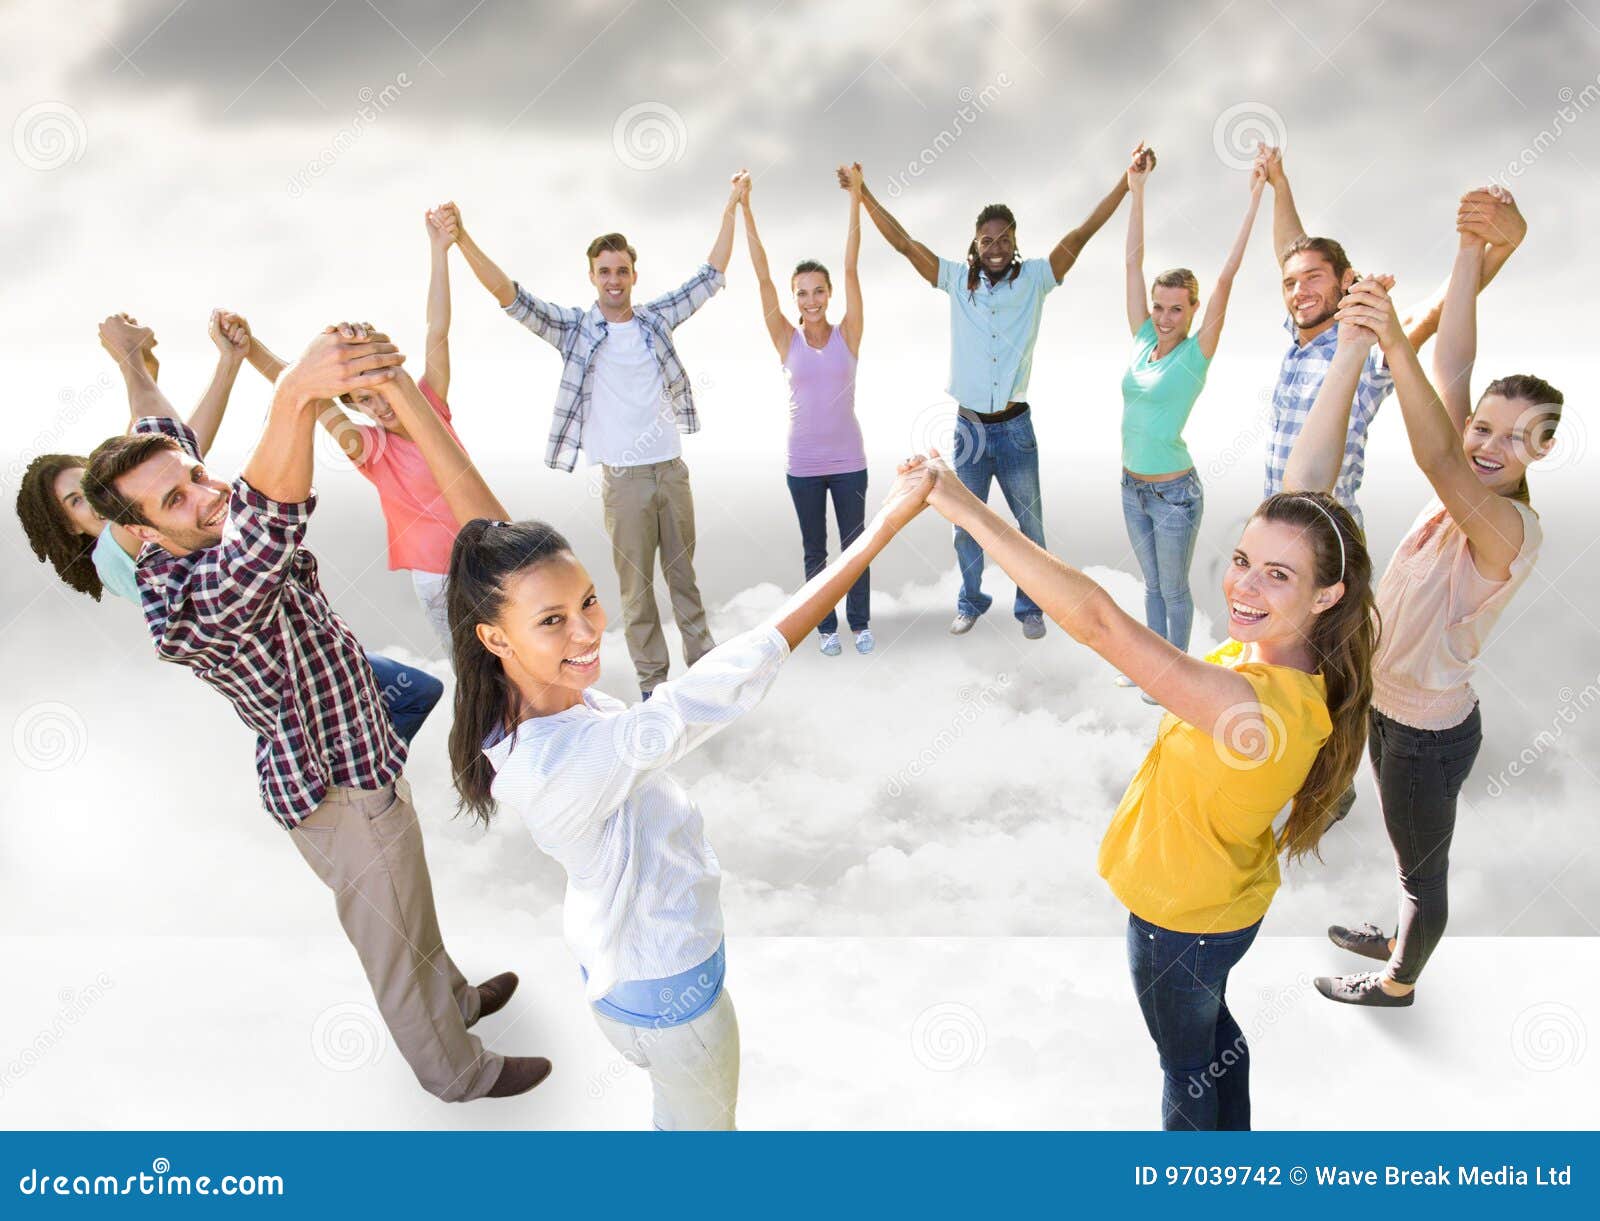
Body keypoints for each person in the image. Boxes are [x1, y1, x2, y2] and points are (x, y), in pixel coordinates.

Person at [81, 323, 551, 1102]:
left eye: (198, 474)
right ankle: (456, 1072)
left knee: (411, 905)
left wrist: (131, 361)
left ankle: (458, 1001)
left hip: (365, 756)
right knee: (391, 944)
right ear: (137, 533)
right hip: (337, 792)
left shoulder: (171, 496)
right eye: (176, 498)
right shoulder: (186, 606)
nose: (206, 493)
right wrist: (295, 392)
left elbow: (161, 425)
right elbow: (265, 533)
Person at [442, 457, 935, 1129]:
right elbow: (730, 678)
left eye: (587, 598)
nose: (588, 631)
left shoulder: (515, 697)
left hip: (623, 980)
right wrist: (883, 526)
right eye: (553, 621)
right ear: (495, 636)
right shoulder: (575, 758)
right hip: (673, 1004)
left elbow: (487, 557)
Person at [911, 448, 1375, 1130]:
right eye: (1243, 560)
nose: (1244, 586)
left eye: (1279, 575)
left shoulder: (1253, 710)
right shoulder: (1294, 661)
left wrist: (962, 506)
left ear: (1327, 595)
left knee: (1186, 1071)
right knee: (1212, 1042)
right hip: (1224, 909)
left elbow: (1097, 621)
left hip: (1178, 926)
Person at [1282, 190, 1559, 1007]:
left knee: (1421, 868)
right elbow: (1454, 370)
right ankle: (1402, 922)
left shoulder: (1505, 526)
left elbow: (1438, 453)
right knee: (1409, 850)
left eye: (1516, 437)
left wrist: (1389, 334)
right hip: (1396, 712)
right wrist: (1470, 246)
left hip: (1424, 735)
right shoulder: (1473, 480)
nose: (1488, 443)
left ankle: (1399, 978)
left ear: (1542, 449)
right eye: (1482, 426)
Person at [15, 312, 441, 742]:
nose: (94, 501)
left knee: (413, 693)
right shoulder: (113, 551)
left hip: (301, 640)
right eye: (78, 501)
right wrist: (132, 364)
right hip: (277, 664)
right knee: (374, 717)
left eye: (86, 482)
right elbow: (171, 452)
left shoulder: (170, 511)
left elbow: (176, 445)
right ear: (70, 527)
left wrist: (226, 362)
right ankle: (359, 771)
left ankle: (377, 760)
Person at [444, 175, 747, 697]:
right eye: (605, 271)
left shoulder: (655, 321)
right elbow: (510, 297)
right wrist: (463, 238)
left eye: (622, 271)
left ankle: (706, 677)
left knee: (684, 582)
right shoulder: (575, 330)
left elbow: (710, 274)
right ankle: (655, 687)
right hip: (624, 481)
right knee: (636, 592)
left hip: (671, 471)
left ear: (633, 275)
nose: (614, 279)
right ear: (592, 276)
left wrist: (732, 207)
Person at [854, 151, 1138, 637]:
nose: (996, 247)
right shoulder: (955, 282)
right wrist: (863, 193)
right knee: (965, 525)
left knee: (1032, 529)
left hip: (1015, 429)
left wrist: (1126, 184)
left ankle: (1031, 607)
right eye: (987, 240)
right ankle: (971, 599)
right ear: (976, 244)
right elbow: (903, 243)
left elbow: (1083, 233)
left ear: (1015, 242)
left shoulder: (1036, 280)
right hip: (968, 430)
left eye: (1005, 239)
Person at [1253, 145, 1526, 528]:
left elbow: (1436, 310)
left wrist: (1501, 246)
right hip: (1277, 528)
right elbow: (1291, 249)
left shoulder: (1365, 343)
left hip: (1326, 536)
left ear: (1347, 281)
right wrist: (1279, 184)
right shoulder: (1300, 337)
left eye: (1314, 278)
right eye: (1291, 283)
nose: (1300, 290)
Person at [1114, 143, 1263, 701]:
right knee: (1152, 585)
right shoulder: (1143, 339)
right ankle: (1152, 666)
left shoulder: (1194, 354)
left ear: (1194, 310)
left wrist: (1253, 199)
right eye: (1159, 306)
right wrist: (1137, 190)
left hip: (1175, 493)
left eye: (1177, 308)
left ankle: (1171, 681)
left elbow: (1227, 275)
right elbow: (1131, 263)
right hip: (1132, 485)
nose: (1165, 316)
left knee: (1174, 591)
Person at [738, 165, 871, 656]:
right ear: (795, 298)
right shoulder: (785, 340)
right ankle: (827, 627)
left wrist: (856, 197)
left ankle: (859, 623)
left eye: (819, 290)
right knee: (816, 552)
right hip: (805, 465)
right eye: (802, 292)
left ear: (830, 294)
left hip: (850, 461)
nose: (811, 299)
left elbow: (853, 265)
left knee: (856, 549)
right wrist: (746, 208)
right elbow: (762, 275)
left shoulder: (849, 335)